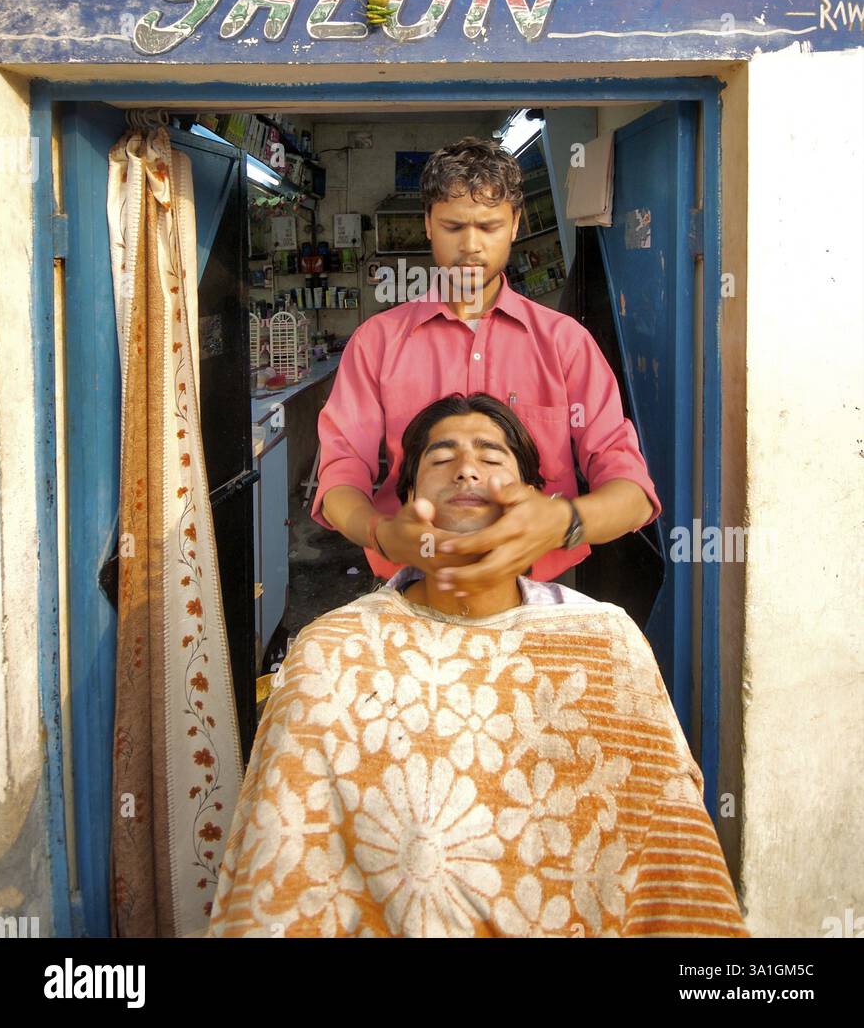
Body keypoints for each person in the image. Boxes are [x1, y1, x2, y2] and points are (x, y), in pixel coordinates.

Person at [209, 396, 748, 939]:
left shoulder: (605, 644)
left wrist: (573, 519)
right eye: (440, 459)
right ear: (410, 500)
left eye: (491, 457)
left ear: (534, 499)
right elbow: (280, 875)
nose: (466, 468)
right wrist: (377, 533)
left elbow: (669, 867)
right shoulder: (332, 653)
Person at [312, 136, 661, 602]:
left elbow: (632, 490)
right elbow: (340, 474)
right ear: (428, 226)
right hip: (412, 584)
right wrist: (380, 531)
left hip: (539, 589)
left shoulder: (564, 344)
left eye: (489, 226)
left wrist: (563, 522)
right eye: (454, 226)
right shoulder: (376, 344)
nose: (471, 246)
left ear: (516, 224)